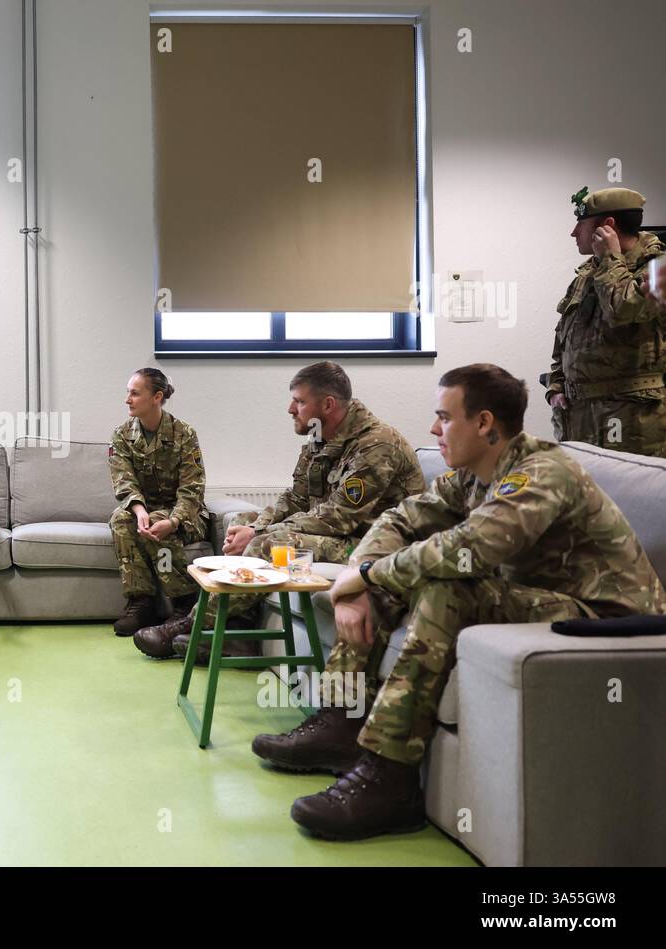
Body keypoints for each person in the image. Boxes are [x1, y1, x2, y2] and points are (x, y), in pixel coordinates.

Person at [254, 364, 666, 841]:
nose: (433, 430)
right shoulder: (470, 477)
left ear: (485, 423)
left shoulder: (541, 471)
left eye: (444, 418)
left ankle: (391, 780)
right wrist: (359, 580)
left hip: (609, 618)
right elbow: (400, 519)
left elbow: (469, 549)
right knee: (396, 577)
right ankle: (341, 722)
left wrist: (364, 573)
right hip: (545, 602)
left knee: (446, 586)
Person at [134, 362, 424, 662]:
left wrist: (259, 533)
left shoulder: (376, 445)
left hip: (369, 545)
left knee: (267, 543)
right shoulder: (319, 437)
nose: (290, 408)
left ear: (328, 404)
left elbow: (339, 516)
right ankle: (239, 632)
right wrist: (255, 524)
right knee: (240, 522)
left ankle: (193, 624)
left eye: (299, 401)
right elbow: (295, 498)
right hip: (340, 532)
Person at [547, 186, 666, 456]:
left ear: (607, 226)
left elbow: (622, 309)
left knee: (631, 497)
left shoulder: (658, 268)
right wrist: (555, 389)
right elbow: (564, 342)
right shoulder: (587, 274)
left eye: (581, 223)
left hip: (634, 423)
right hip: (578, 420)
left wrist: (610, 257)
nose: (574, 232)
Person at [107, 369, 209, 645]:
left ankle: (183, 601)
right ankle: (142, 602)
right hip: (144, 508)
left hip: (184, 514)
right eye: (128, 392)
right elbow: (123, 480)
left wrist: (173, 521)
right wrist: (139, 511)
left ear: (157, 397)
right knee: (120, 519)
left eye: (135, 393)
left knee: (155, 520)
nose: (127, 399)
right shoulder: (122, 435)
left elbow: (192, 489)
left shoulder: (184, 434)